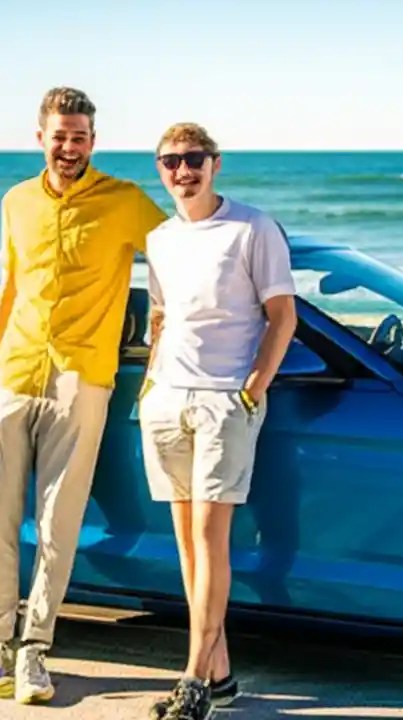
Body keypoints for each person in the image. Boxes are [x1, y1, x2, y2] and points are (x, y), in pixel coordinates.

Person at [0, 86, 167, 704]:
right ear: (40, 137)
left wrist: (167, 322)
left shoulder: (124, 203)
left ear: (93, 143)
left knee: (57, 521)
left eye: (79, 137)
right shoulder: (16, 201)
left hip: (82, 376)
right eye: (59, 135)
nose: (68, 147)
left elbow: (179, 256)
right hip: (14, 372)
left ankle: (34, 651)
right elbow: (9, 288)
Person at [138, 122, 298, 720]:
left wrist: (253, 389)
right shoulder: (159, 238)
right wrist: (152, 384)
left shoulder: (253, 228)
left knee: (211, 543)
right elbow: (161, 316)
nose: (184, 170)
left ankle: (192, 680)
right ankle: (220, 673)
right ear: (160, 168)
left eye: (194, 158)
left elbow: (283, 317)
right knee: (186, 548)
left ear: (215, 163)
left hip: (224, 401)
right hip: (167, 401)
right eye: (171, 161)